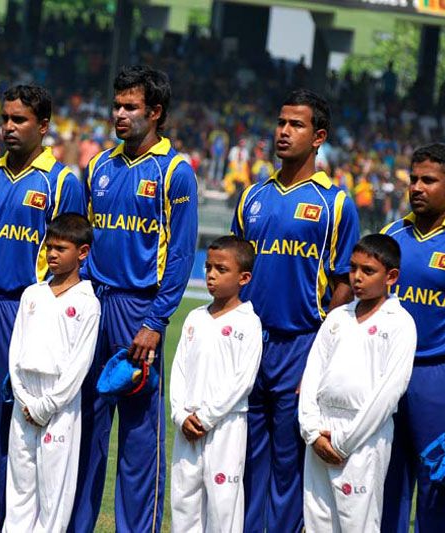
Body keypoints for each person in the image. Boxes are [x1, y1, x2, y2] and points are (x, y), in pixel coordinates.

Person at [71, 65, 198, 532]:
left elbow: (182, 254)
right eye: (117, 106)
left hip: (138, 311)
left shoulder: (175, 172)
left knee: (140, 435)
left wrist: (156, 320)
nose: (119, 115)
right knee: (86, 427)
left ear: (156, 112)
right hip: (94, 305)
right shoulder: (99, 166)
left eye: (130, 108)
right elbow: (86, 241)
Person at [232, 89, 360, 532]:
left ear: (319, 135)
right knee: (244, 457)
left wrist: (321, 343)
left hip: (300, 345)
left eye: (297, 125)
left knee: (289, 462)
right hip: (249, 342)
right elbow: (234, 267)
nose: (284, 132)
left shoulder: (335, 203)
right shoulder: (252, 196)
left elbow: (345, 280)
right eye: (281, 122)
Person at [0, 84, 87, 527]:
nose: (9, 127)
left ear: (43, 126)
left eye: (20, 120)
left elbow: (71, 257)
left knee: (12, 426)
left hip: (26, 309)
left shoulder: (61, 182)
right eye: (5, 119)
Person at [299, 234, 416, 532]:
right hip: (322, 428)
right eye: (353, 269)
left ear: (391, 276)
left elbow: (389, 392)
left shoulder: (400, 323)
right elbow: (312, 375)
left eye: (368, 270)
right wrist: (312, 431)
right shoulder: (337, 317)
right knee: (318, 519)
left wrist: (343, 440)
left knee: (357, 522)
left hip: (363, 435)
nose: (357, 278)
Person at [381, 143, 445, 532]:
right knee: (385, 487)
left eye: (428, 180)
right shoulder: (390, 235)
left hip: (442, 378)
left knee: (439, 493)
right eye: (413, 179)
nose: (416, 187)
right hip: (386, 377)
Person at [3, 213, 99, 533]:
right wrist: (24, 396)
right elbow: (15, 351)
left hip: (58, 402)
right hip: (25, 396)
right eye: (49, 247)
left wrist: (47, 404)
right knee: (20, 484)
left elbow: (79, 365)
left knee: (53, 490)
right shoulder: (33, 294)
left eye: (61, 248)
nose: (52, 254)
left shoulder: (87, 302)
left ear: (82, 253)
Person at [170, 236, 262, 533]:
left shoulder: (248, 322)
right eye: (208, 267)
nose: (210, 274)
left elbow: (242, 380)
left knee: (223, 505)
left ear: (244, 277)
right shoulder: (195, 318)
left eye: (221, 269)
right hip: (188, 423)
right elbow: (179, 369)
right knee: (184, 501)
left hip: (225, 424)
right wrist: (180, 415)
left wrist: (208, 416)